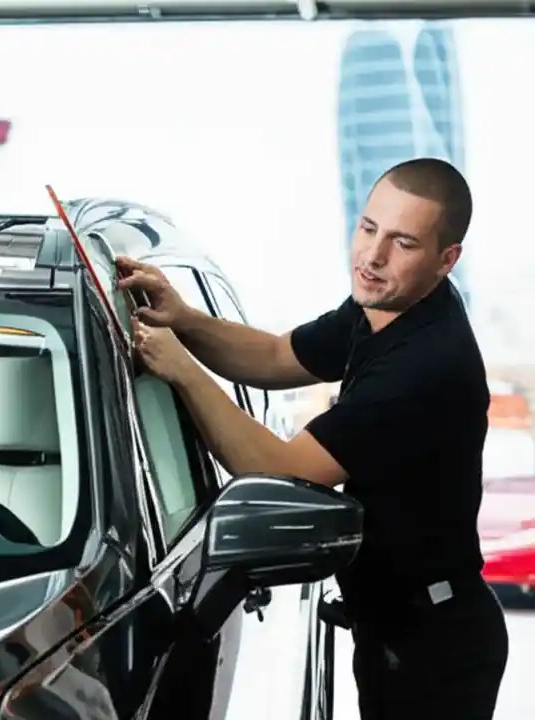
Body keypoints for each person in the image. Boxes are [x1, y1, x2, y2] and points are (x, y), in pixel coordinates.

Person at [117, 157, 508, 719]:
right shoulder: (383, 308)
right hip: (398, 629)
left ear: (448, 260)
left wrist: (181, 369)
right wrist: (183, 319)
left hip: (435, 648)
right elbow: (278, 355)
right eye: (368, 228)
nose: (373, 257)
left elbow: (276, 471)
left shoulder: (424, 367)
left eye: (403, 243)